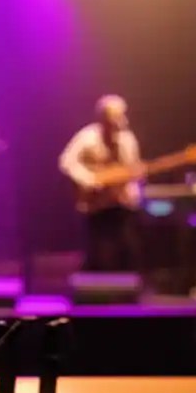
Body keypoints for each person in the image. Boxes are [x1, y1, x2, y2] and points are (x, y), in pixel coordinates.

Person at [59, 95, 143, 272]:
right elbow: (67, 162)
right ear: (102, 118)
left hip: (121, 204)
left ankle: (125, 293)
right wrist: (89, 180)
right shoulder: (87, 137)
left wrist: (134, 183)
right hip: (96, 205)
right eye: (115, 116)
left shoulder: (128, 140)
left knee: (126, 249)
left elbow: (131, 170)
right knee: (98, 252)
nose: (121, 121)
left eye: (122, 116)